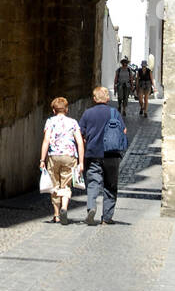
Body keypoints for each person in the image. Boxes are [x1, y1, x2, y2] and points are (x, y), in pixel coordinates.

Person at [79, 85, 126, 225]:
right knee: (110, 185)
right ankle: (107, 217)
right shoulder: (114, 113)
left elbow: (81, 133)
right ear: (107, 98)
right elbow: (123, 130)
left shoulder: (87, 113)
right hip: (112, 154)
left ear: (94, 99)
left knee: (93, 183)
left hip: (93, 153)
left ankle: (91, 207)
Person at [39, 96, 85, 225]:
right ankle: (64, 207)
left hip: (54, 155)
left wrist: (42, 159)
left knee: (54, 185)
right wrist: (81, 162)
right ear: (67, 109)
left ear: (54, 110)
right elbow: (80, 142)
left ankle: (57, 214)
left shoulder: (50, 122)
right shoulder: (73, 122)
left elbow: (46, 140)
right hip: (69, 155)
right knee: (66, 184)